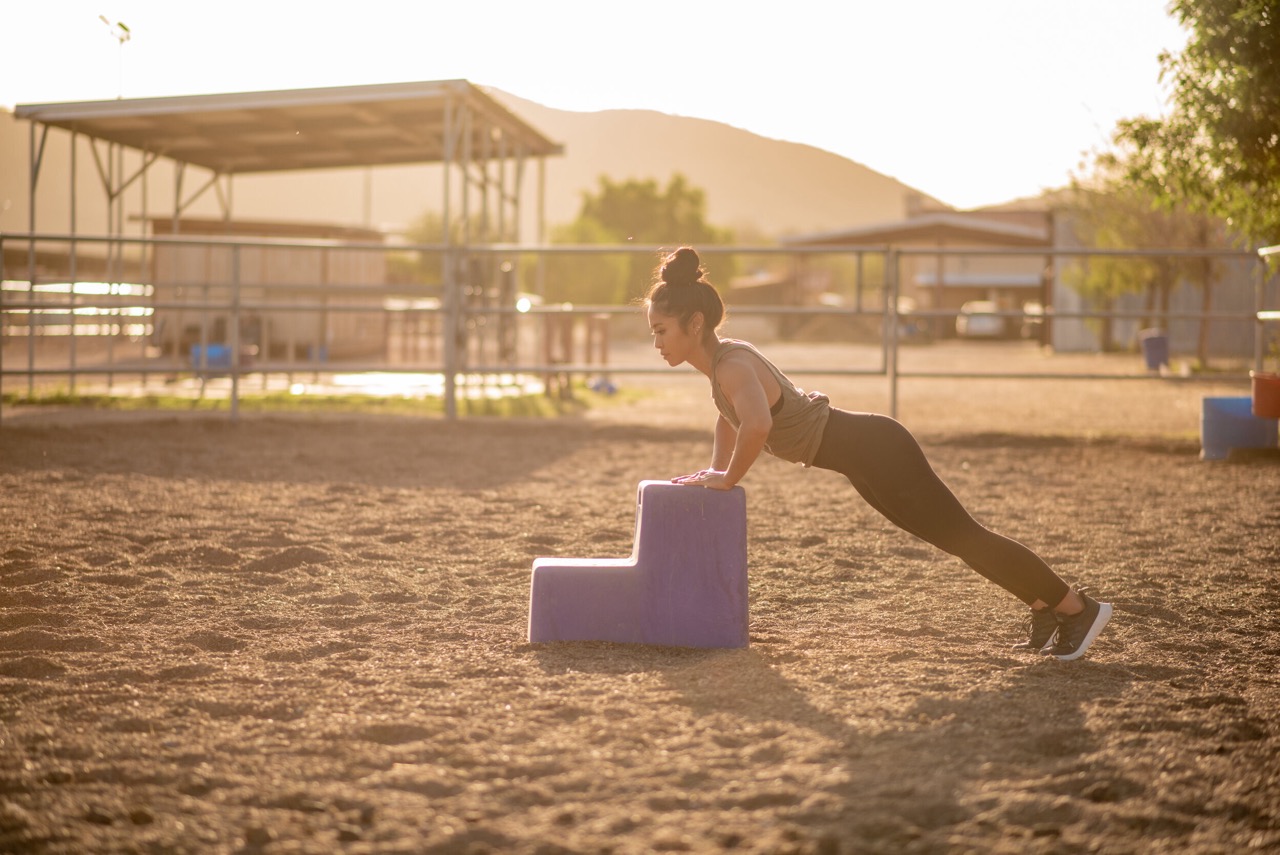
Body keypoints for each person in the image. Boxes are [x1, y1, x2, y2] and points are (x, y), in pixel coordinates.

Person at [644, 246, 1112, 661]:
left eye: (662, 331)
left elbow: (758, 425)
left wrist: (728, 479)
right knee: (954, 540)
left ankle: (1076, 607)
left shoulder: (733, 365)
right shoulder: (722, 368)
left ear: (695, 323)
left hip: (878, 449)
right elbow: (730, 417)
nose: (657, 343)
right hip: (861, 461)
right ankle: (1043, 606)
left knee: (967, 536)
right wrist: (715, 466)